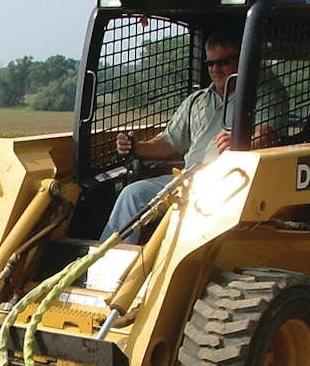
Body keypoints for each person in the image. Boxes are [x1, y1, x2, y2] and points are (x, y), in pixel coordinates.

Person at [100, 31, 286, 242]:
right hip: (189, 179)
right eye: (211, 63)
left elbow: (268, 136)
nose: (216, 69)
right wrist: (136, 146)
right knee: (132, 195)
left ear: (241, 60)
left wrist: (242, 142)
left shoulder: (265, 94)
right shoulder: (197, 101)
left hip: (234, 183)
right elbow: (169, 141)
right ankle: (106, 267)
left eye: (223, 62)